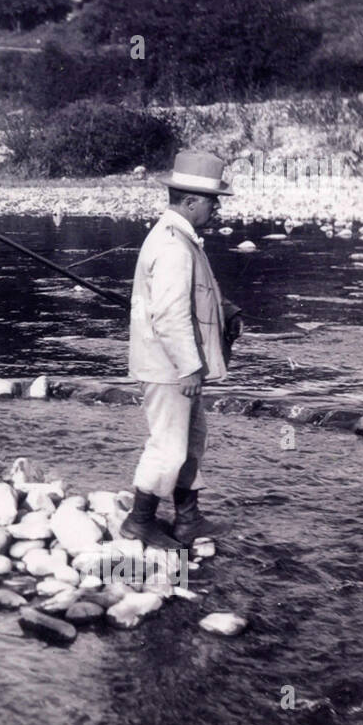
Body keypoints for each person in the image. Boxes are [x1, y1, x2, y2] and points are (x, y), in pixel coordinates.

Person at [120, 150, 243, 550]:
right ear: (190, 202)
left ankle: (188, 520)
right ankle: (139, 522)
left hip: (173, 364)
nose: (218, 207)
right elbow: (171, 316)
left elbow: (189, 296)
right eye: (213, 199)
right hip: (170, 366)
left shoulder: (179, 237)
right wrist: (190, 367)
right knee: (168, 446)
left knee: (192, 439)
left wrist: (224, 311)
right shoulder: (174, 246)